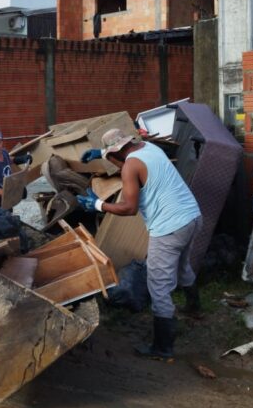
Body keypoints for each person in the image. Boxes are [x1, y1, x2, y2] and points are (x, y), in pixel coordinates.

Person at [78, 128, 202, 359]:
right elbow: (131, 164)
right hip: (192, 217)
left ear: (115, 152)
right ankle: (195, 307)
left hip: (169, 228)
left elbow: (129, 207)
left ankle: (163, 348)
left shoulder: (130, 166)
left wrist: (97, 205)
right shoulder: (149, 147)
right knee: (182, 265)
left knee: (158, 285)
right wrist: (101, 153)